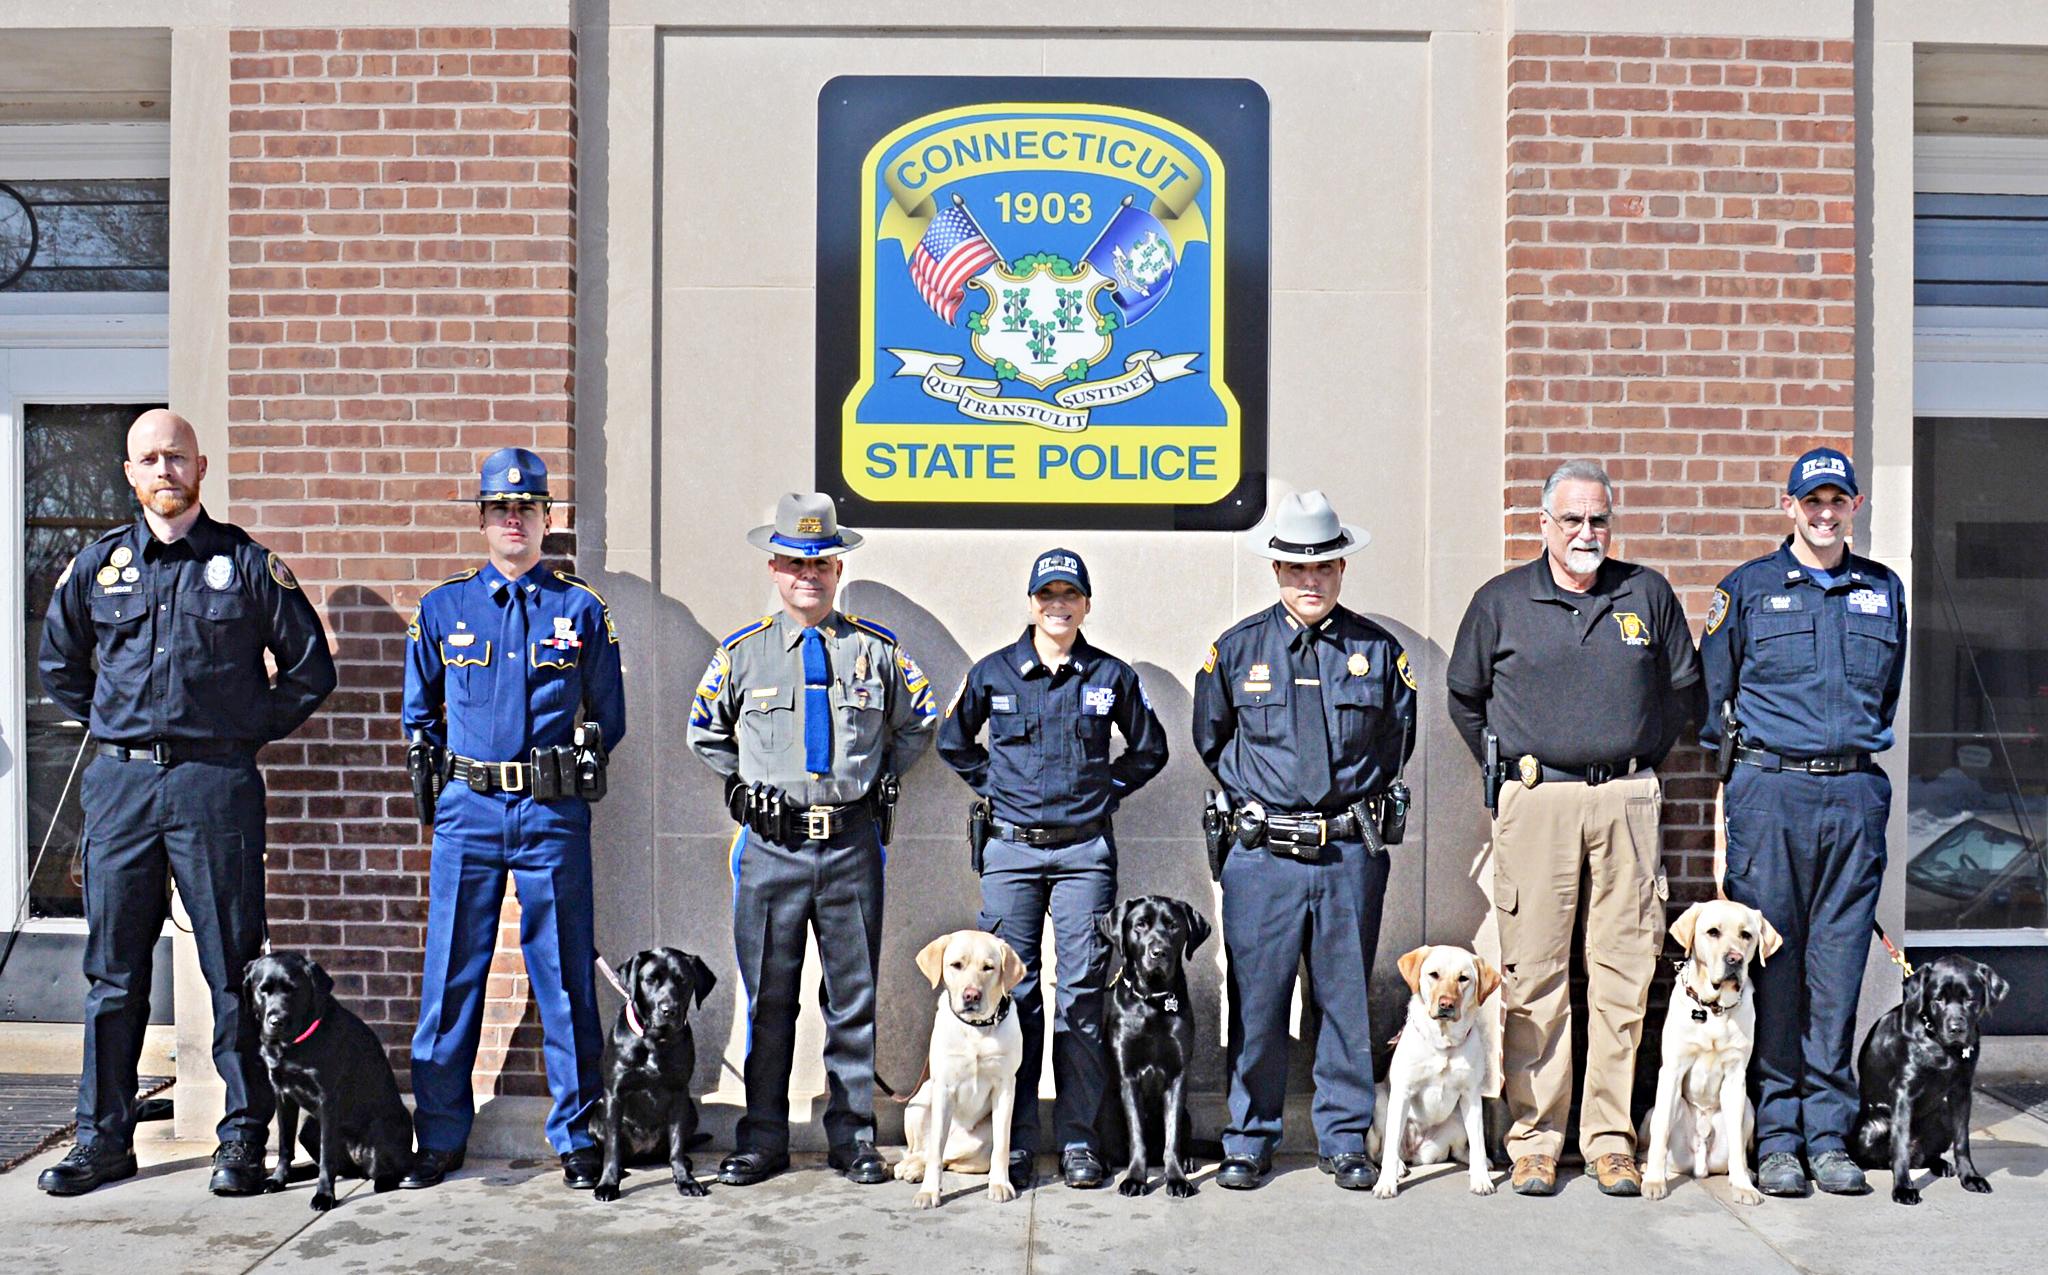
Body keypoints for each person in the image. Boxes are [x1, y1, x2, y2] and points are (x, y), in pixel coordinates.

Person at [36, 408, 336, 1197]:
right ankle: (103, 1137)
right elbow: (59, 664)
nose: (164, 470)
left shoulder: (244, 565)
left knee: (233, 968)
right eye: (148, 459)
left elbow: (309, 669)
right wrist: (115, 727)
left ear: (201, 468)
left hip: (215, 787)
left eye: (177, 456)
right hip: (123, 786)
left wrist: (240, 733)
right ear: (130, 475)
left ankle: (241, 1137)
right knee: (113, 973)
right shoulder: (98, 566)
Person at [1446, 458, 1702, 1198]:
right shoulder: (1501, 601)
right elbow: (1466, 699)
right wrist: (1512, 776)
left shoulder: (1645, 593)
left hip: (1625, 799)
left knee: (1625, 973)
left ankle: (1610, 1138)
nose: (1586, 532)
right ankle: (1533, 1138)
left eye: (1598, 519)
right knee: (1535, 974)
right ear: (1543, 525)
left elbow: (1682, 692)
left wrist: (1635, 761)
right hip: (1536, 800)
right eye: (1572, 519)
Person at [687, 492, 937, 1186]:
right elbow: (703, 729)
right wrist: (739, 787)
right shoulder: (742, 653)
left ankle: (852, 1137)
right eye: (795, 562)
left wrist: (882, 776)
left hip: (852, 846)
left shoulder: (875, 650)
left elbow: (921, 722)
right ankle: (762, 1135)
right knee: (769, 998)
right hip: (771, 852)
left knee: (852, 1000)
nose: (809, 574)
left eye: (821, 562)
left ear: (837, 567)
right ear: (774, 566)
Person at [399, 447, 625, 1191]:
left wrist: (571, 765)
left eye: (527, 510)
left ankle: (578, 1132)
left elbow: (608, 716)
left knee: (562, 974)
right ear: (484, 518)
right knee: (452, 972)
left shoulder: (580, 609)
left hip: (550, 808)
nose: (514, 522)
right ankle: (437, 1134)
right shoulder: (443, 608)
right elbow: (416, 715)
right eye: (501, 509)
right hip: (467, 809)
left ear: (547, 518)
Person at [1192, 490, 1416, 1192]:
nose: (1309, 580)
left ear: (1343, 567)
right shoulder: (1236, 649)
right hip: (1263, 857)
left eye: (1323, 566)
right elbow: (1212, 738)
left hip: (1349, 851)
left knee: (1347, 1003)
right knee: (1256, 1003)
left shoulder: (1378, 651)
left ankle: (1345, 1138)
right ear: (1275, 570)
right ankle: (1249, 1137)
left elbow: (1395, 743)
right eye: (1295, 566)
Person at [1699, 446, 1904, 1198]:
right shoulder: (1748, 589)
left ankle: (1829, 1134)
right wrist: (1753, 777)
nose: (1824, 514)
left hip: (1852, 796)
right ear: (1788, 507)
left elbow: (1884, 698)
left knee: (1840, 965)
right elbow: (1710, 698)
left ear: (1854, 507)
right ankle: (1778, 1134)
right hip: (1770, 793)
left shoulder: (1883, 591)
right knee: (1772, 965)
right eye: (1810, 501)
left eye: (1837, 501)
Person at [937, 548, 1169, 1191]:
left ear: (1087, 604)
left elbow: (1152, 749)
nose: (1057, 606)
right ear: (1032, 603)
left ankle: (1078, 1141)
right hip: (1010, 851)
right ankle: (1016, 1144)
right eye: (1047, 595)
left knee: (1082, 999)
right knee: (1011, 988)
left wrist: (1106, 790)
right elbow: (953, 741)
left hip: (1083, 856)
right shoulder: (994, 673)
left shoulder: (1110, 676)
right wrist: (996, 788)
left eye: (1070, 595)